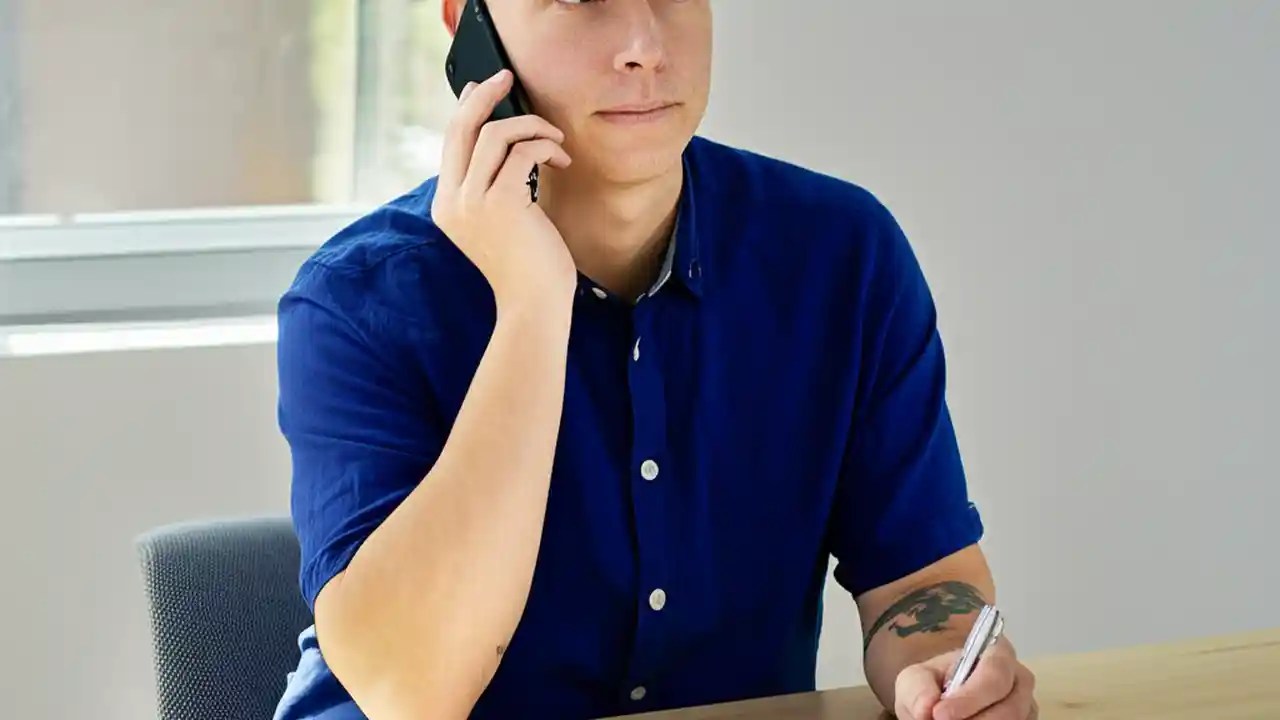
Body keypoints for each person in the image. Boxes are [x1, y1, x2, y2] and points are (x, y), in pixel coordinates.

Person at [272, 1, 1038, 719]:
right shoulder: (357, 300)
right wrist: (535, 303)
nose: (644, 46)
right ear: (467, 24)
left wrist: (944, 666)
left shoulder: (840, 255)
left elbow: (922, 581)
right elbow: (415, 694)